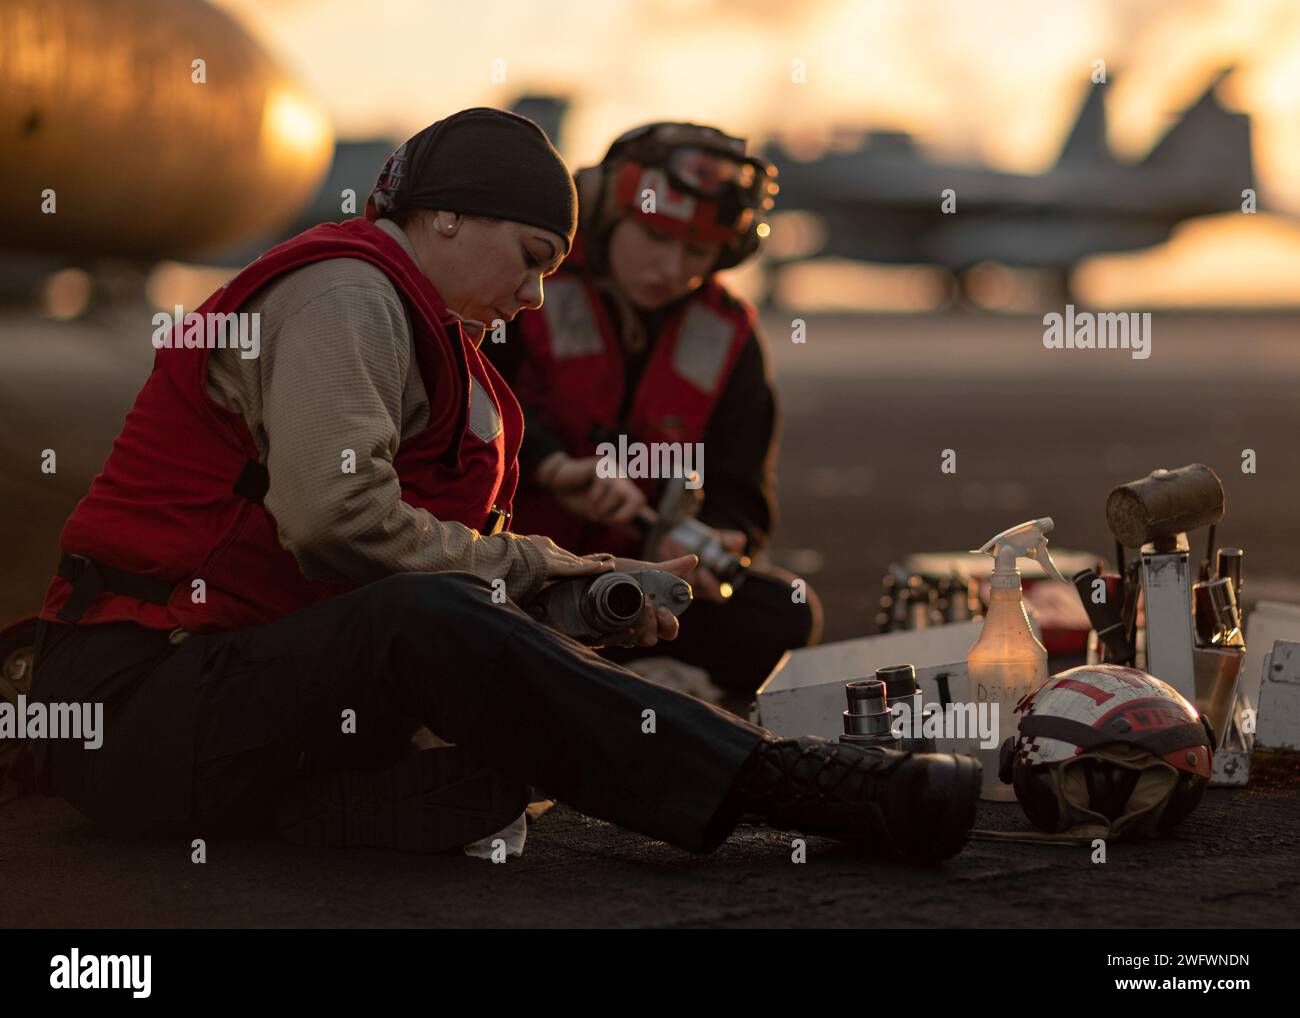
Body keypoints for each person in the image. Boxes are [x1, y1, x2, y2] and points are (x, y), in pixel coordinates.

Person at [27, 108, 979, 862]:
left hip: (239, 693)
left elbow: (391, 575)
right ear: (444, 215)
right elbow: (333, 524)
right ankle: (787, 783)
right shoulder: (347, 295)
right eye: (529, 261)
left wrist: (573, 605)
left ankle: (308, 804)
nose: (534, 298)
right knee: (427, 621)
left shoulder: (441, 339)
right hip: (135, 702)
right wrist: (533, 568)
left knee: (475, 663)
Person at [487, 122, 819, 700]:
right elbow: (470, 404)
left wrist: (718, 542)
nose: (671, 267)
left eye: (696, 250)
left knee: (784, 614)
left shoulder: (729, 332)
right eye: (656, 237)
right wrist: (550, 467)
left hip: (638, 588)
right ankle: (601, 675)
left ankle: (592, 669)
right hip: (516, 569)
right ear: (608, 216)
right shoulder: (528, 285)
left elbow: (742, 488)